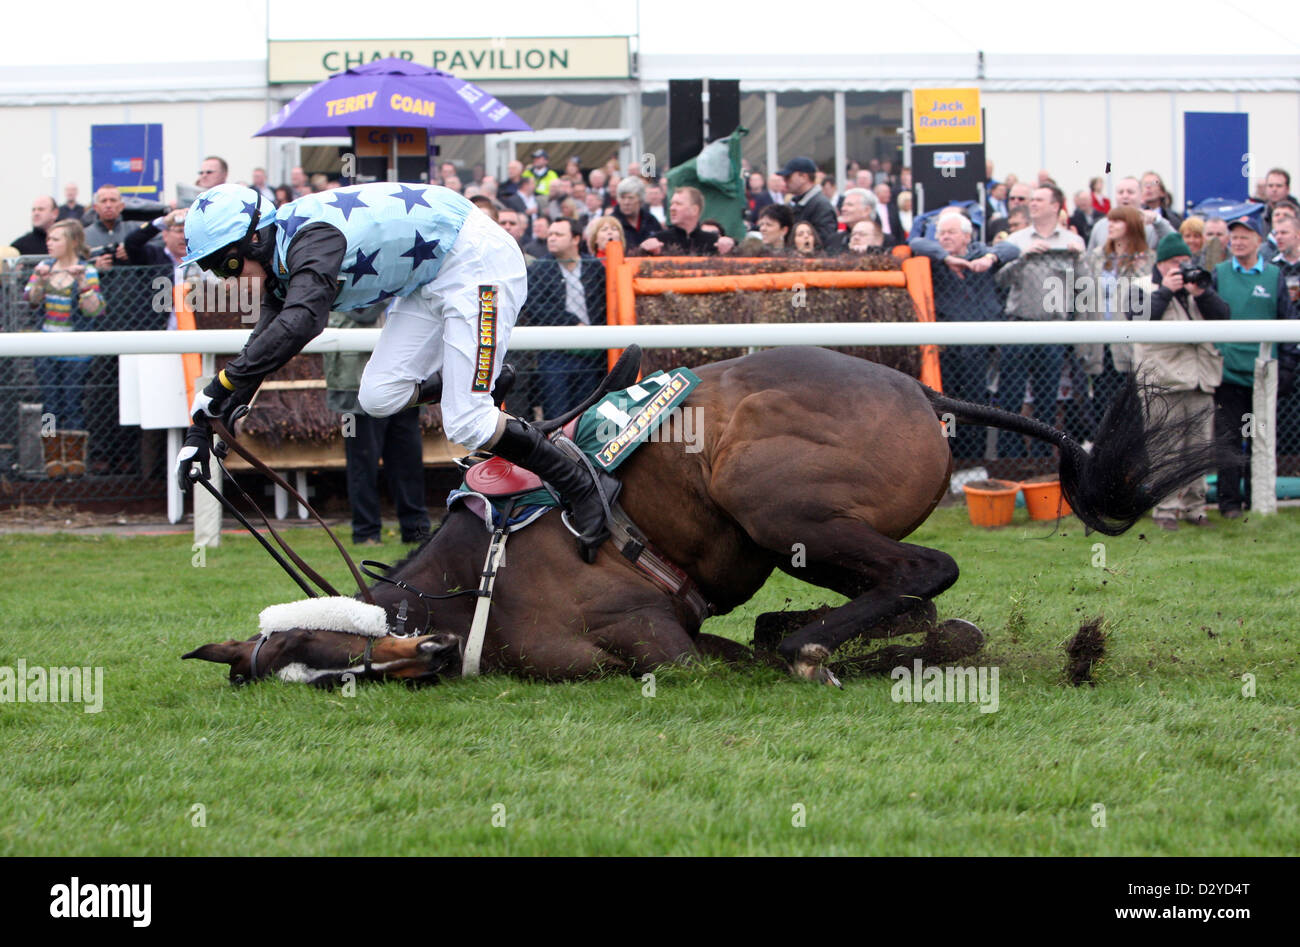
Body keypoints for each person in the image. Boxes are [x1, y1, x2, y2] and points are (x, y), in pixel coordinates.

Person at [173, 181, 615, 562]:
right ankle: (484, 382)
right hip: (427, 275)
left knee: (467, 421)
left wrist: (223, 384)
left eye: (223, 265)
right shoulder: (280, 256)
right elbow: (266, 341)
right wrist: (203, 424)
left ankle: (585, 488)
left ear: (254, 240)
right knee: (378, 396)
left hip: (477, 263)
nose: (224, 280)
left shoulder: (312, 240)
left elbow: (303, 322)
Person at [1132, 233, 1230, 529]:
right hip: (1163, 381)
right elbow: (1139, 322)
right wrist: (1164, 290)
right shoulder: (1141, 288)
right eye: (1176, 263)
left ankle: (1195, 509)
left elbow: (1224, 317)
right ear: (1160, 263)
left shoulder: (1196, 288)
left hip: (1200, 379)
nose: (1182, 268)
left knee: (1199, 450)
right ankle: (1165, 510)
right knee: (1166, 449)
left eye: (1185, 262)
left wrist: (1202, 293)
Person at [909, 211, 1020, 461]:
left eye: (951, 233)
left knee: (974, 403)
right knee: (946, 404)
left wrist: (990, 259)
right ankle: (950, 459)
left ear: (967, 236)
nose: (944, 237)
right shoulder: (935, 256)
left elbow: (1012, 248)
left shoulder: (982, 252)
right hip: (946, 347)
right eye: (941, 233)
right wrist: (947, 258)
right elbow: (915, 242)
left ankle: (974, 460)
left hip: (978, 346)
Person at [1211, 214, 1299, 517]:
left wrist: (1287, 366)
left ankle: (1258, 500)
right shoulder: (1219, 273)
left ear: (1259, 241)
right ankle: (1229, 504)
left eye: (1244, 237)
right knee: (1228, 441)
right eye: (1233, 236)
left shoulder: (1273, 277)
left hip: (1263, 375)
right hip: (1228, 375)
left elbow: (1287, 320)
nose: (1237, 242)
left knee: (1260, 440)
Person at [323, 301, 431, 546]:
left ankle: (416, 532)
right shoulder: (356, 274)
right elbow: (362, 310)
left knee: (409, 462)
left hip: (403, 383)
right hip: (352, 391)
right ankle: (365, 533)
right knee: (361, 464)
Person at [994, 184, 1085, 458]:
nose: (1032, 203)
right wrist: (1023, 258)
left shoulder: (1073, 240)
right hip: (1018, 326)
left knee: (1047, 400)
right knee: (1011, 399)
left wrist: (1078, 259)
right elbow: (1000, 281)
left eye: (1039, 200)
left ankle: (1044, 460)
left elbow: (1085, 285)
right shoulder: (1017, 239)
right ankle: (1009, 460)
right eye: (1031, 199)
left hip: (1053, 329)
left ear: (1056, 205)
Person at [23, 220, 105, 478]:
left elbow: (96, 309)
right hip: (48, 346)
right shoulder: (43, 268)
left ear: (71, 242)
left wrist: (82, 284)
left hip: (75, 348)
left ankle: (73, 460)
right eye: (49, 239)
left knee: (72, 402)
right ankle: (52, 459)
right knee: (50, 403)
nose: (50, 243)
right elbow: (31, 300)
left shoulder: (87, 270)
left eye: (56, 239)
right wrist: (39, 284)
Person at [519, 218, 607, 420]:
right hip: (554, 353)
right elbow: (535, 306)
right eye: (550, 234)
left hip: (592, 353)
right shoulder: (539, 269)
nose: (552, 238)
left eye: (558, 234)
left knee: (588, 415)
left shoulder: (594, 268)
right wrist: (572, 322)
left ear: (575, 239)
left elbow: (605, 303)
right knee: (557, 415)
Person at [1075, 206, 1156, 426]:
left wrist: (1138, 269)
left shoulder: (1146, 258)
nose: (1110, 225)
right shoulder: (1097, 257)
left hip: (1129, 341)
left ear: (1132, 226)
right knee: (1103, 403)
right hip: (1100, 340)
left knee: (1132, 406)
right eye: (1110, 221)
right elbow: (1084, 295)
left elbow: (1147, 295)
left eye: (1118, 221)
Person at [639, 187, 734, 256]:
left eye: (678, 204)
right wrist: (644, 250)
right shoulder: (659, 240)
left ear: (694, 210)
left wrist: (731, 245)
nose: (672, 208)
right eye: (671, 204)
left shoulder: (714, 242)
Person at [1087, 176, 1174, 251]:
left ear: (1142, 197)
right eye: (1120, 192)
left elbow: (1175, 244)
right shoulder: (1101, 226)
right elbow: (1089, 261)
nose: (1125, 196)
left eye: (1130, 192)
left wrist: (1158, 221)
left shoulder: (1152, 226)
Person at [777, 157, 838, 249]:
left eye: (788, 177)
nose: (785, 182)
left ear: (803, 177)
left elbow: (825, 241)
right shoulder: (794, 203)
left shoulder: (821, 206)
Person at [82, 185, 131, 271]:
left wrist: (133, 251)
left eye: (113, 200)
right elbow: (75, 264)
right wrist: (94, 266)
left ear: (121, 206)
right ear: (95, 207)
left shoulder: (134, 230)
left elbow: (159, 245)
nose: (108, 205)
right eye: (103, 201)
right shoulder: (84, 236)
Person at [610, 176, 661, 246]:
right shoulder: (611, 222)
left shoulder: (651, 221)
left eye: (630, 198)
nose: (626, 202)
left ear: (640, 199)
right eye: (622, 197)